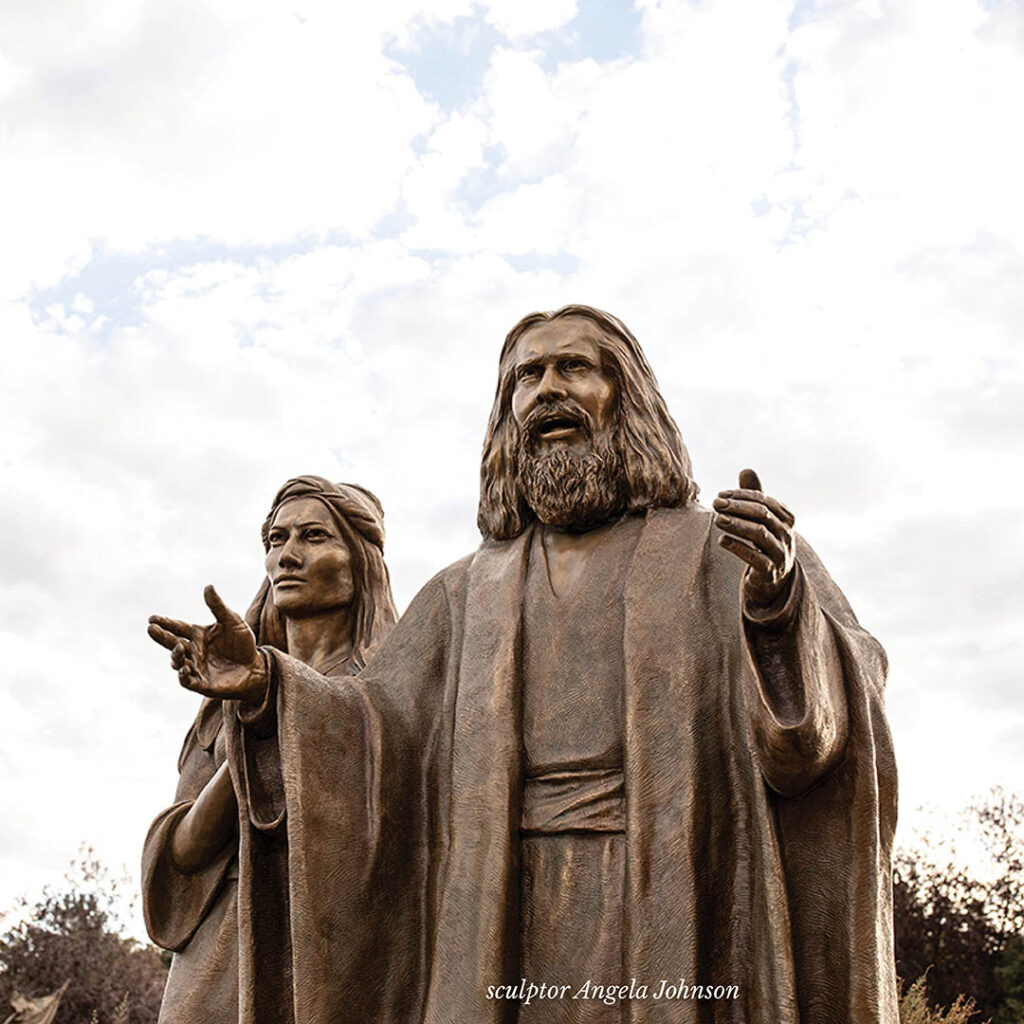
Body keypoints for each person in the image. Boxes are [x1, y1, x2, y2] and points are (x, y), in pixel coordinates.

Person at [166, 306, 897, 1024]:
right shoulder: (463, 592)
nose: (547, 389)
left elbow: (822, 733)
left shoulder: (723, 552)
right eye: (527, 376)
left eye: (573, 367)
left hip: (674, 886)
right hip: (495, 906)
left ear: (627, 396)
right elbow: (379, 730)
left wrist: (775, 608)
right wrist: (271, 690)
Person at [141, 476, 397, 1024]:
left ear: (361, 559)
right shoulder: (225, 696)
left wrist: (279, 697)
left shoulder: (395, 689)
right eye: (276, 539)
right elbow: (183, 853)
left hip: (341, 947)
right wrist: (254, 719)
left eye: (313, 536)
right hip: (224, 952)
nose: (287, 556)